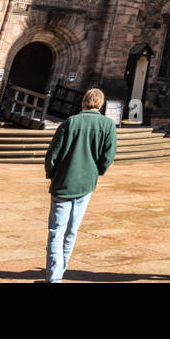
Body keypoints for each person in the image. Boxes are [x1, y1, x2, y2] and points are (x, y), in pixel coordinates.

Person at [43, 87, 117, 282]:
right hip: (86, 185)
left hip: (63, 183)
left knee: (56, 231)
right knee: (71, 230)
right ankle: (61, 271)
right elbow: (108, 157)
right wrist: (96, 172)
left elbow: (53, 154)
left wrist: (51, 174)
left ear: (83, 102)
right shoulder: (108, 125)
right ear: (100, 105)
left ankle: (54, 277)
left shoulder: (70, 122)